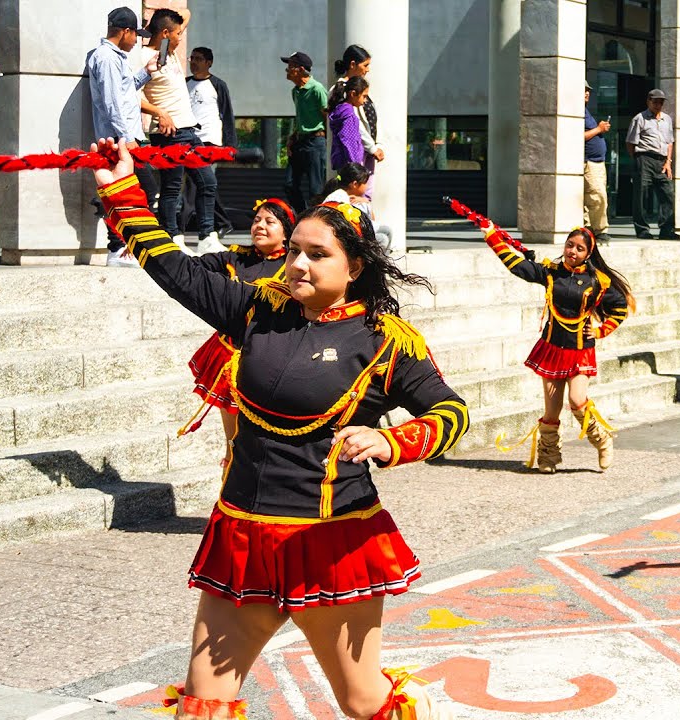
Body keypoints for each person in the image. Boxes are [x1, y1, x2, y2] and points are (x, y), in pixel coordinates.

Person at [90, 137, 465, 720]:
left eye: (317, 254)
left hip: (328, 542)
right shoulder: (257, 310)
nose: (297, 264)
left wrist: (392, 441)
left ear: (355, 267)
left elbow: (450, 413)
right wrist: (121, 186)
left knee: (364, 701)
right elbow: (175, 269)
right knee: (204, 702)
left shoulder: (387, 343)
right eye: (294, 250)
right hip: (241, 536)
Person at [482, 225, 633, 473]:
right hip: (552, 348)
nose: (573, 251)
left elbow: (619, 308)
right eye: (570, 245)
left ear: (588, 253)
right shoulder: (550, 272)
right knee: (551, 411)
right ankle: (549, 456)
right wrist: (492, 236)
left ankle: (602, 440)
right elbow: (517, 266)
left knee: (577, 400)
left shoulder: (598, 282)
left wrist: (599, 330)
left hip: (580, 350)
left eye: (580, 248)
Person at [179, 198, 295, 462]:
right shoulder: (234, 257)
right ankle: (230, 477)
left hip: (270, 357)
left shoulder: (294, 264)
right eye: (256, 221)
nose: (260, 226)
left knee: (264, 437)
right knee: (233, 443)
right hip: (229, 354)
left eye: (270, 222)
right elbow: (188, 269)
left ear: (286, 231)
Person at [142, 9, 220, 255]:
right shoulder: (145, 57)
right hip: (168, 132)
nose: (180, 37)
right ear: (165, 33)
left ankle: (207, 236)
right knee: (172, 187)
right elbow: (131, 95)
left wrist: (170, 27)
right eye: (176, 34)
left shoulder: (170, 52)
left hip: (189, 131)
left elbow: (186, 13)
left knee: (207, 182)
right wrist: (159, 113)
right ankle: (172, 237)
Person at [86, 7, 156, 268]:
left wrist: (147, 72)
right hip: (118, 140)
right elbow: (111, 102)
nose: (136, 40)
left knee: (135, 191)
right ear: (125, 31)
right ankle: (118, 249)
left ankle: (123, 248)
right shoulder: (106, 57)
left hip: (121, 138)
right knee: (136, 191)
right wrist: (126, 138)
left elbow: (124, 91)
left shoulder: (114, 57)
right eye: (135, 35)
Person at [186, 47, 237, 249]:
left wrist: (230, 145)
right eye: (192, 58)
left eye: (199, 59)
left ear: (209, 62)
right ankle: (222, 223)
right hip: (187, 140)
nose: (194, 62)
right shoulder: (185, 84)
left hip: (209, 141)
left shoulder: (218, 85)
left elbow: (228, 115)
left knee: (200, 185)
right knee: (203, 185)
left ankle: (206, 230)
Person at [626, 89, 679, 239]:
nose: (658, 105)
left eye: (661, 102)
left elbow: (670, 142)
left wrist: (668, 162)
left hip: (662, 161)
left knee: (668, 194)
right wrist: (638, 159)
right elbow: (630, 143)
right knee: (641, 195)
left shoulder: (667, 119)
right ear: (648, 101)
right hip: (644, 158)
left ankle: (666, 230)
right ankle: (642, 230)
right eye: (655, 101)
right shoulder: (640, 119)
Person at [333, 45, 383, 199]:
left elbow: (372, 118)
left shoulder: (360, 88)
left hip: (367, 149)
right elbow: (354, 127)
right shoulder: (341, 91)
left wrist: (378, 144)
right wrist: (372, 147)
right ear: (353, 64)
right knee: (356, 192)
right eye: (365, 65)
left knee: (366, 192)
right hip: (356, 152)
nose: (367, 70)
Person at [282, 51, 328, 212]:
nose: (287, 71)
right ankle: (303, 214)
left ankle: (317, 220)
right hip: (300, 141)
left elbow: (327, 116)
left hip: (315, 142)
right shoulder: (295, 91)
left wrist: (326, 141)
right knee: (288, 183)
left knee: (316, 188)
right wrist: (292, 137)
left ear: (301, 69)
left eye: (290, 67)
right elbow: (301, 118)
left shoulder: (317, 89)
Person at [320, 162, 398, 256]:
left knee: (386, 230)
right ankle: (374, 268)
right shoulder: (340, 198)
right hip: (340, 239)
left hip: (346, 235)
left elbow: (371, 221)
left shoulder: (347, 196)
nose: (367, 187)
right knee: (382, 239)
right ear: (355, 184)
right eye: (365, 183)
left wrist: (367, 203)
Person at [582, 81, 612, 243]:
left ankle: (593, 229)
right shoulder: (575, 111)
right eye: (584, 90)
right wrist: (599, 129)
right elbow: (578, 136)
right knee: (597, 197)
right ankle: (599, 230)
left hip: (597, 162)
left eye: (588, 90)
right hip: (589, 162)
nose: (587, 93)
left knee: (596, 197)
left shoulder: (585, 111)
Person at [329, 76, 369, 171]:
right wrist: (355, 166)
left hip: (342, 162)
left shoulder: (340, 110)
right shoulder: (348, 114)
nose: (365, 100)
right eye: (364, 96)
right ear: (353, 94)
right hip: (349, 165)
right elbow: (349, 140)